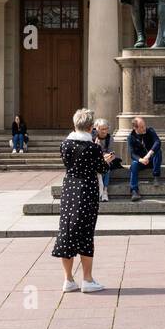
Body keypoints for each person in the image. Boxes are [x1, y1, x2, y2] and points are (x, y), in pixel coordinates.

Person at [53, 108, 112, 293]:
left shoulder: (65, 144)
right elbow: (102, 168)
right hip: (86, 190)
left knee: (67, 231)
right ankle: (87, 279)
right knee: (86, 232)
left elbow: (68, 164)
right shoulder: (93, 148)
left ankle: (68, 279)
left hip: (69, 188)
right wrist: (106, 160)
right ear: (90, 127)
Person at [127, 116, 162, 202]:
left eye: (144, 125)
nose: (144, 128)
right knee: (134, 164)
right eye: (141, 127)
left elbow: (158, 142)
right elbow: (132, 153)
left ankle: (156, 176)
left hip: (152, 160)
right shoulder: (131, 137)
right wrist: (140, 160)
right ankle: (134, 191)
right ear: (135, 128)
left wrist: (149, 154)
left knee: (158, 151)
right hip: (141, 162)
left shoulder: (150, 131)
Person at [93, 118, 123, 201]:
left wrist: (108, 155)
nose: (104, 131)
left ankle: (105, 190)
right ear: (96, 128)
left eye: (106, 129)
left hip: (106, 159)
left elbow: (110, 151)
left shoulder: (110, 138)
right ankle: (100, 189)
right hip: (94, 160)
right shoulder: (92, 137)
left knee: (107, 165)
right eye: (102, 129)